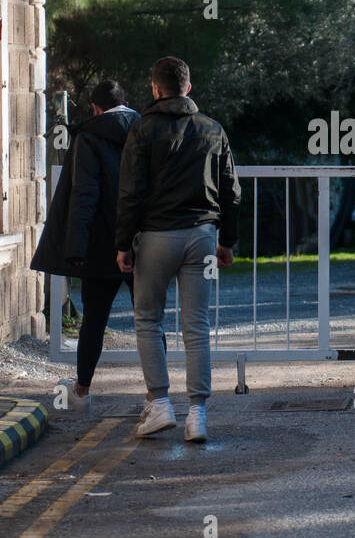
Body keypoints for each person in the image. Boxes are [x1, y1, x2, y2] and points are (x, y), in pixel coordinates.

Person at [115, 56, 241, 443]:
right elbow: (231, 192)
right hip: (201, 237)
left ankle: (160, 404)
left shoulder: (141, 130)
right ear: (188, 87)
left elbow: (130, 193)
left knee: (148, 320)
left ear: (155, 89)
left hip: (156, 237)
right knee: (196, 325)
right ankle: (197, 415)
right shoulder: (213, 129)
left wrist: (123, 243)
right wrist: (227, 241)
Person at [31, 80, 140, 413]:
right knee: (149, 321)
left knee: (94, 320)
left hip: (101, 243)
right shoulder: (145, 129)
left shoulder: (89, 136)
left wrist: (74, 248)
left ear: (95, 109)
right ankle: (157, 395)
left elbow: (84, 194)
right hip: (140, 241)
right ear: (125, 103)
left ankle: (82, 390)